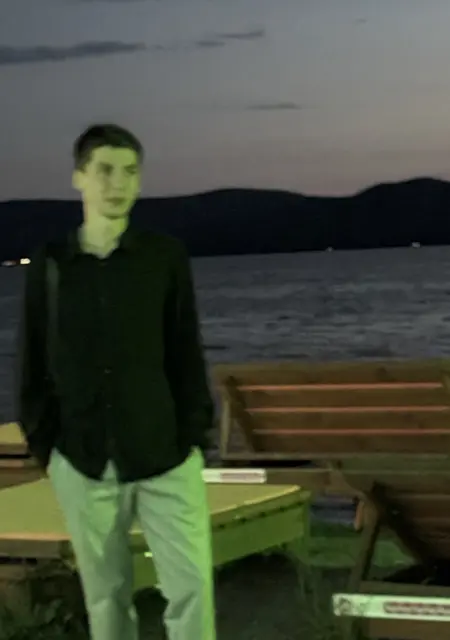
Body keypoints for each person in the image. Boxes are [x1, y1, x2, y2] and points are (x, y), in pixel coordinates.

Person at [15, 124, 217, 640]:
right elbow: (32, 361)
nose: (118, 183)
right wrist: (48, 447)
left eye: (130, 171)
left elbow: (185, 352)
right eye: (104, 170)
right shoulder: (51, 264)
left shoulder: (163, 257)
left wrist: (195, 439)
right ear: (79, 177)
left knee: (192, 588)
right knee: (106, 598)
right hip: (83, 459)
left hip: (165, 454)